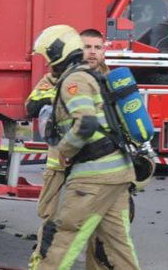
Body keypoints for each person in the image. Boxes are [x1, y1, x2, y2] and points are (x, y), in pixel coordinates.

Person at [28, 24, 140, 270]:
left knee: (61, 238)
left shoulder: (74, 79)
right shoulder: (95, 77)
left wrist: (66, 151)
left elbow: (86, 122)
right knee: (117, 247)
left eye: (48, 58)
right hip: (118, 174)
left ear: (59, 54)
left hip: (92, 177)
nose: (48, 64)